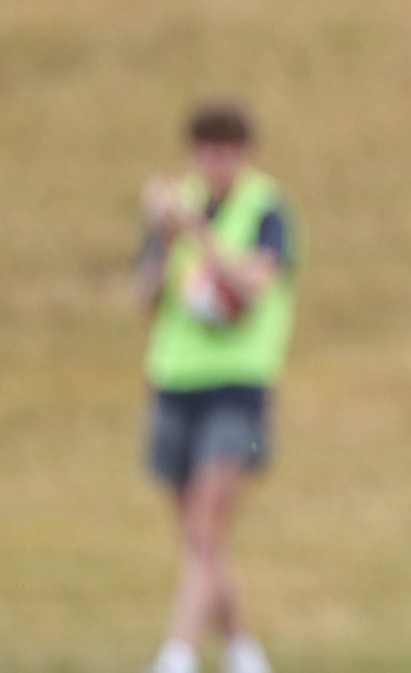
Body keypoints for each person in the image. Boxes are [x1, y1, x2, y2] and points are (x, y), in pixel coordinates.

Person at [134, 102, 297, 673]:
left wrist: (196, 234)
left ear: (243, 153)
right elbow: (146, 297)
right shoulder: (177, 206)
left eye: (226, 150)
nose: (215, 162)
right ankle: (243, 652)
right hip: (174, 381)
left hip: (237, 385)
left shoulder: (264, 208)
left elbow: (252, 286)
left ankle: (177, 655)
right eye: (206, 150)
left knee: (206, 527)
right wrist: (160, 234)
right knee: (199, 538)